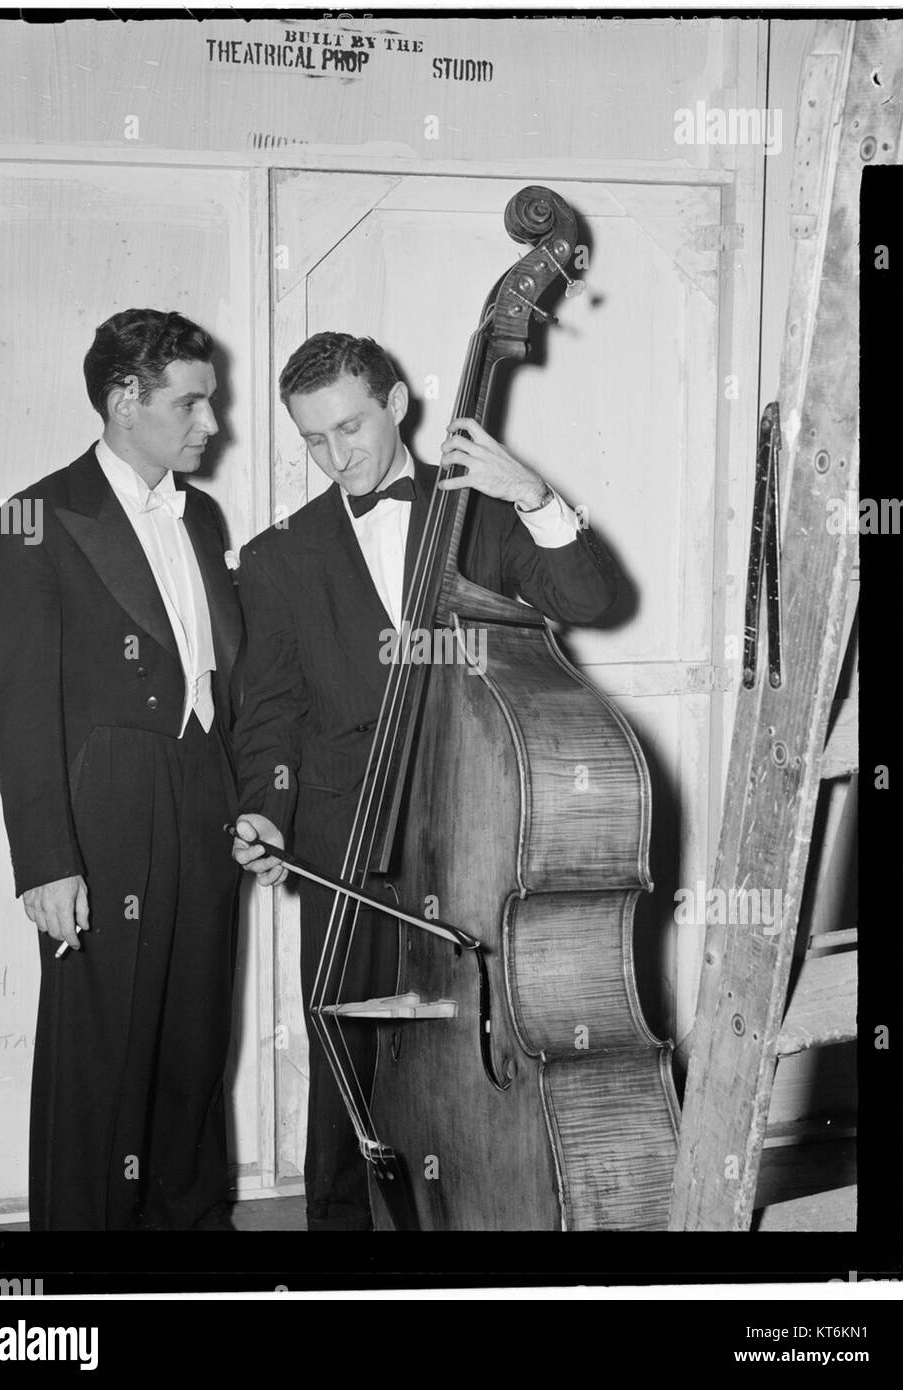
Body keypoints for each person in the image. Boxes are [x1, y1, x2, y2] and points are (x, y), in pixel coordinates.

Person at [232, 331, 619, 1232]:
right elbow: (269, 713)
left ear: (399, 403)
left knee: (480, 1038)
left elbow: (593, 601)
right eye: (315, 440)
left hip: (473, 824)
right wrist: (265, 806)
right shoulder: (277, 557)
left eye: (353, 427)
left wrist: (529, 492)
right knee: (349, 1065)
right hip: (345, 838)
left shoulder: (481, 515)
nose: (340, 456)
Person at [0, 308, 243, 1230]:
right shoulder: (30, 518)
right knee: (101, 1052)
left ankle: (193, 1243)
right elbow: (13, 707)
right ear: (125, 399)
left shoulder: (202, 516)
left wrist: (250, 803)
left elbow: (220, 676)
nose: (213, 424)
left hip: (203, 795)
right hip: (105, 812)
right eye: (194, 403)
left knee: (195, 1038)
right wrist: (47, 860)